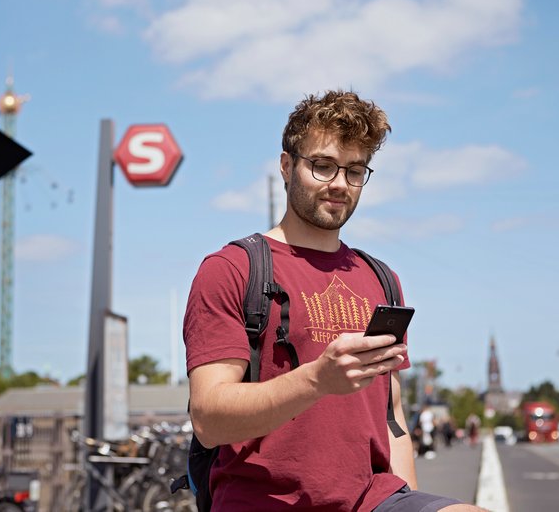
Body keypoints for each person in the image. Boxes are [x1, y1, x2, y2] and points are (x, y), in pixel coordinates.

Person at [184, 90, 486, 511]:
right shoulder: (233, 269)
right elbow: (209, 418)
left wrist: (409, 497)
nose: (339, 184)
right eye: (322, 166)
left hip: (371, 500)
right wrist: (316, 380)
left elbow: (392, 417)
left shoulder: (382, 279)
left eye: (355, 170)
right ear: (287, 166)